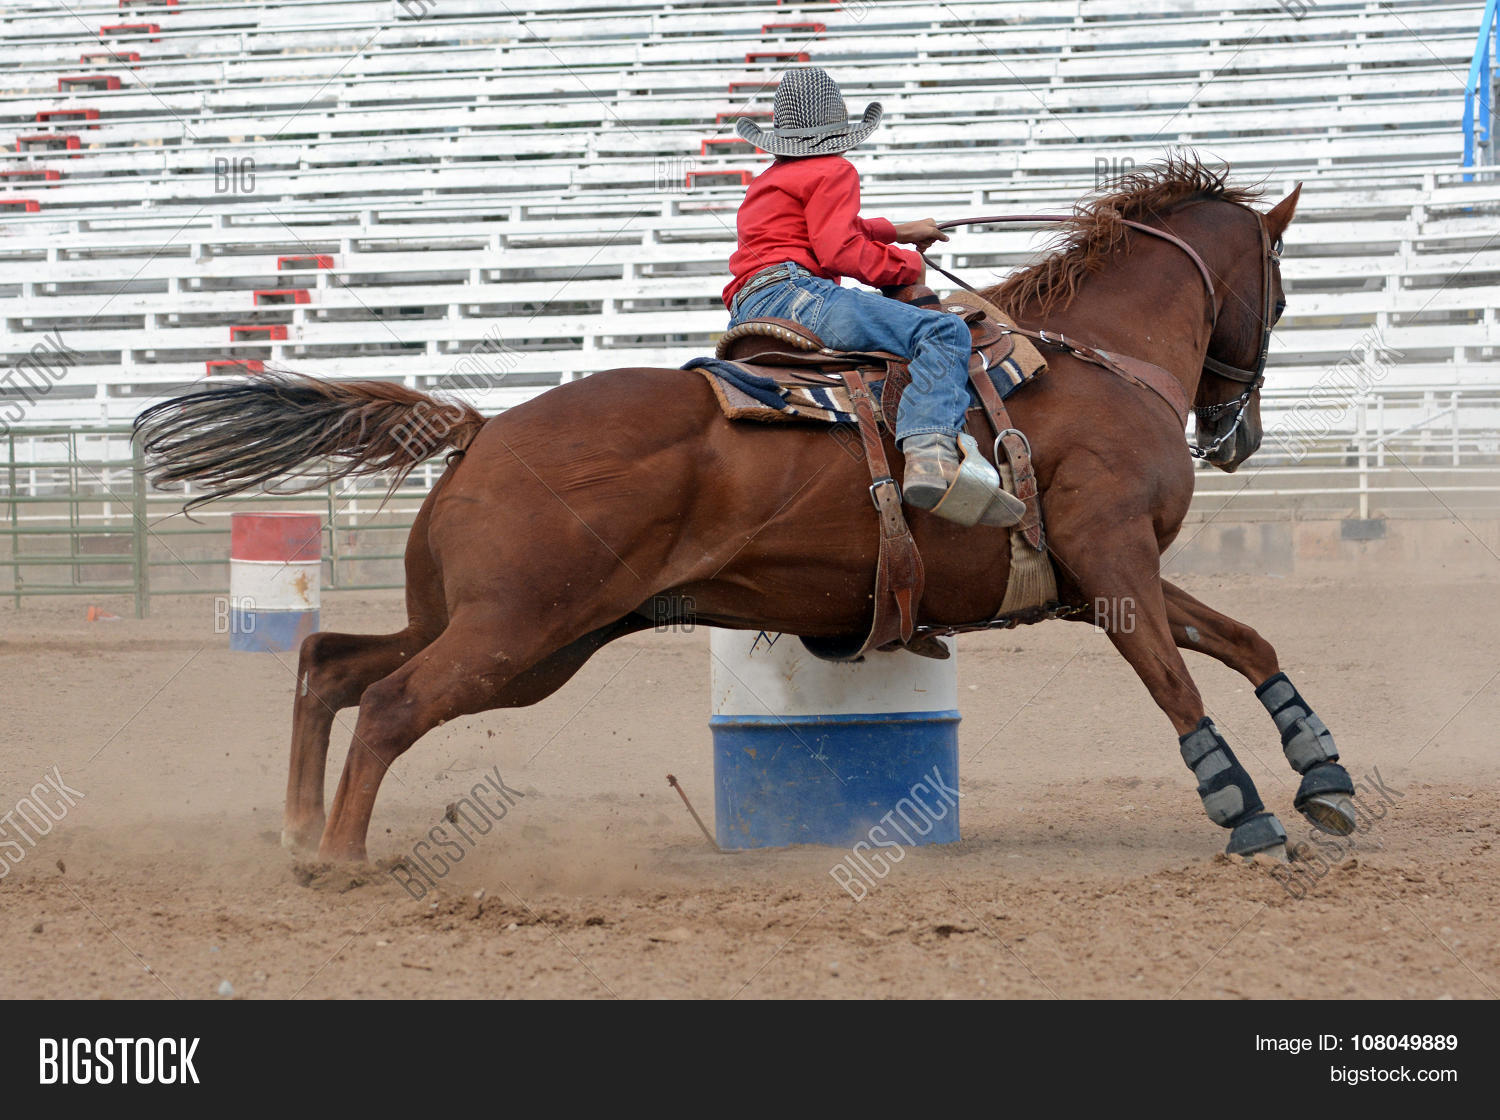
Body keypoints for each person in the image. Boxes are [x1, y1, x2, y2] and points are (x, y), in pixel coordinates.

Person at [725, 67, 1023, 527]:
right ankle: (930, 452)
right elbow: (839, 249)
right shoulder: (836, 169)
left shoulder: (769, 180)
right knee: (942, 330)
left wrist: (899, 230)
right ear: (841, 132)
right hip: (799, 292)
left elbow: (824, 230)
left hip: (752, 300)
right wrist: (907, 265)